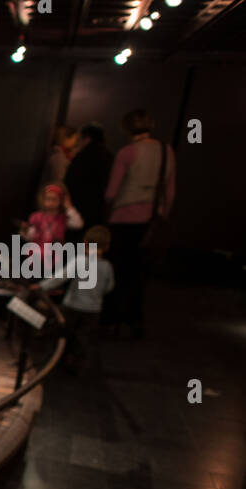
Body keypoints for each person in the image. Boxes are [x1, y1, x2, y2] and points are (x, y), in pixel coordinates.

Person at [104, 109, 175, 338]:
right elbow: (170, 189)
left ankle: (111, 320)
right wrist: (162, 213)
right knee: (139, 274)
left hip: (124, 217)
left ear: (126, 128)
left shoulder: (127, 153)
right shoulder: (167, 151)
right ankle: (135, 320)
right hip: (150, 219)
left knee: (117, 271)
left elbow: (112, 191)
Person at [32, 225, 115, 373]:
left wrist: (41, 286)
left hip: (72, 307)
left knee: (64, 336)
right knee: (83, 340)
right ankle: (76, 367)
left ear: (85, 243)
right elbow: (109, 287)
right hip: (93, 311)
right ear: (107, 246)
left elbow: (60, 277)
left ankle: (57, 365)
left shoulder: (80, 261)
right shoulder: (107, 266)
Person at [64, 122, 112, 233]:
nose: (77, 143)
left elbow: (70, 182)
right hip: (99, 208)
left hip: (79, 205)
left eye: (80, 139)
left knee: (75, 241)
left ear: (87, 139)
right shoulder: (109, 157)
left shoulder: (82, 157)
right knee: (91, 241)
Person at [21, 183, 82, 261]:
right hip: (35, 256)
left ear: (61, 201)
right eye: (48, 199)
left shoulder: (63, 218)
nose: (51, 202)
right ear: (43, 200)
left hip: (54, 257)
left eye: (54, 199)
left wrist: (69, 207)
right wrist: (25, 230)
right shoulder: (36, 216)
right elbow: (29, 237)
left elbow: (78, 224)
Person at [40, 125, 78, 191]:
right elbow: (58, 179)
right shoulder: (58, 156)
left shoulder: (63, 154)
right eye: (74, 138)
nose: (75, 142)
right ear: (66, 139)